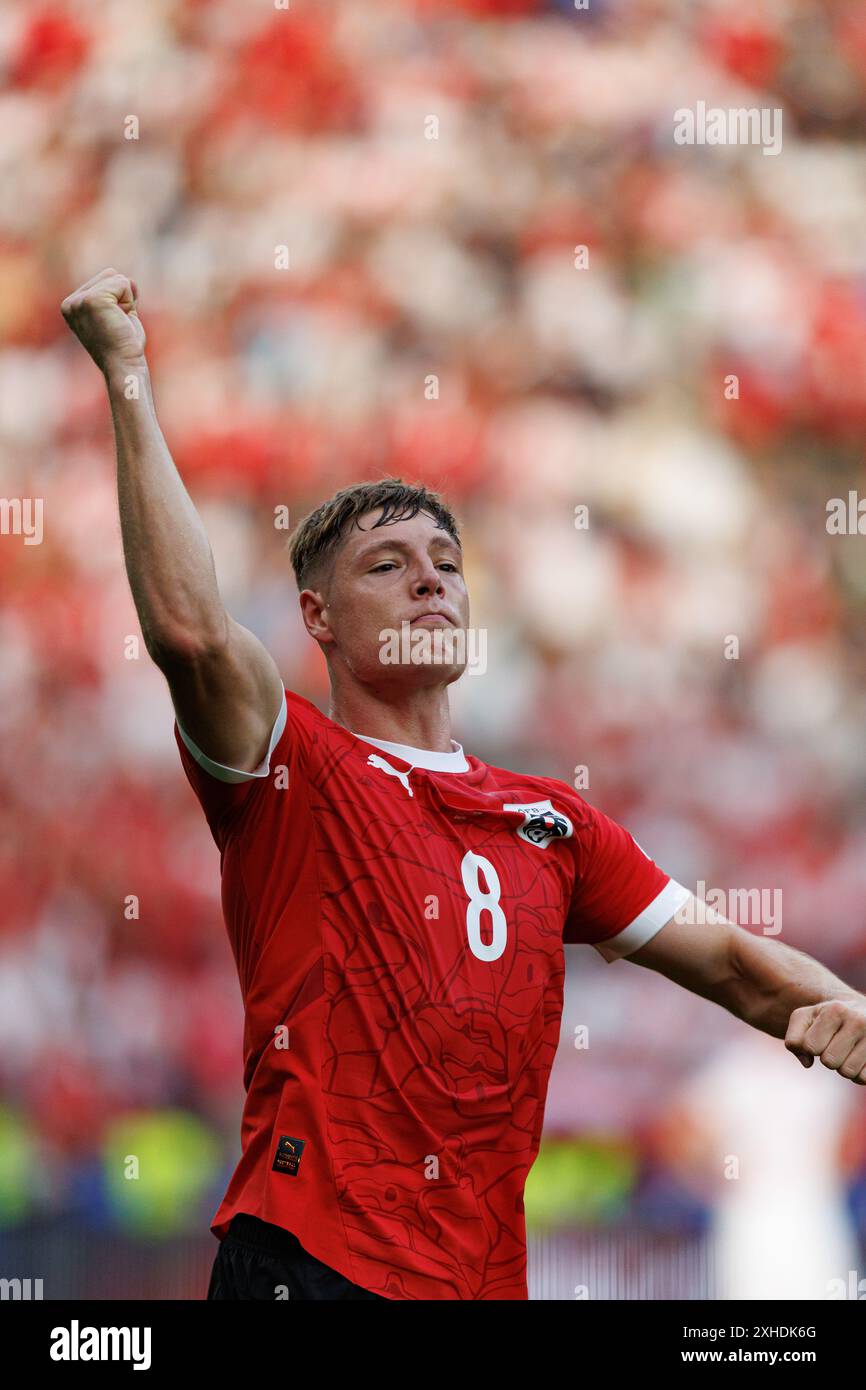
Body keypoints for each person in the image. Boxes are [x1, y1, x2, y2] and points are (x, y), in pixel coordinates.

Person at [61, 268, 866, 1301]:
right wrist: (128, 375)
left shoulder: (551, 821)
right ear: (316, 619)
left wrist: (845, 1006)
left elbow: (731, 960)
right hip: (308, 1263)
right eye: (385, 565)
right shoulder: (291, 766)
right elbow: (188, 633)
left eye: (443, 558)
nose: (430, 576)